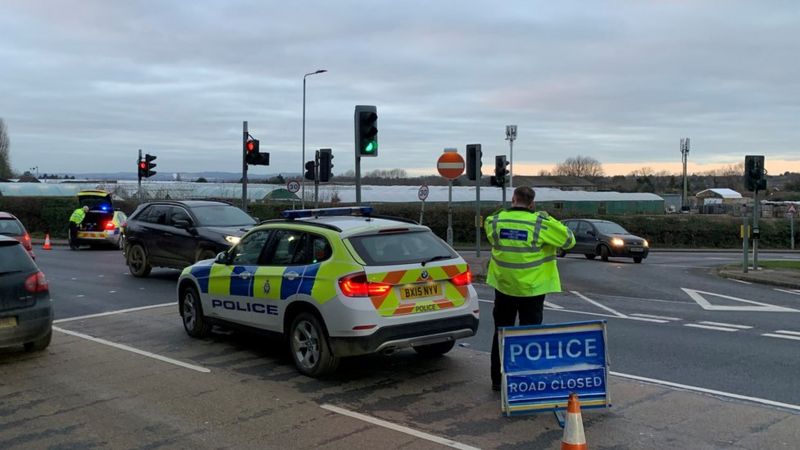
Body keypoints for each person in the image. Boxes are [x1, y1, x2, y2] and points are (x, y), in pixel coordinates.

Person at [484, 186, 575, 391]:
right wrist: (548, 218)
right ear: (532, 204)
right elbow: (569, 240)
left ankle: (498, 380)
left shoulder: (496, 221)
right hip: (532, 291)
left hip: (504, 288)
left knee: (501, 333)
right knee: (530, 335)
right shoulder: (541, 224)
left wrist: (503, 212)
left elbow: (489, 225)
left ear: (513, 199)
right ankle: (526, 380)